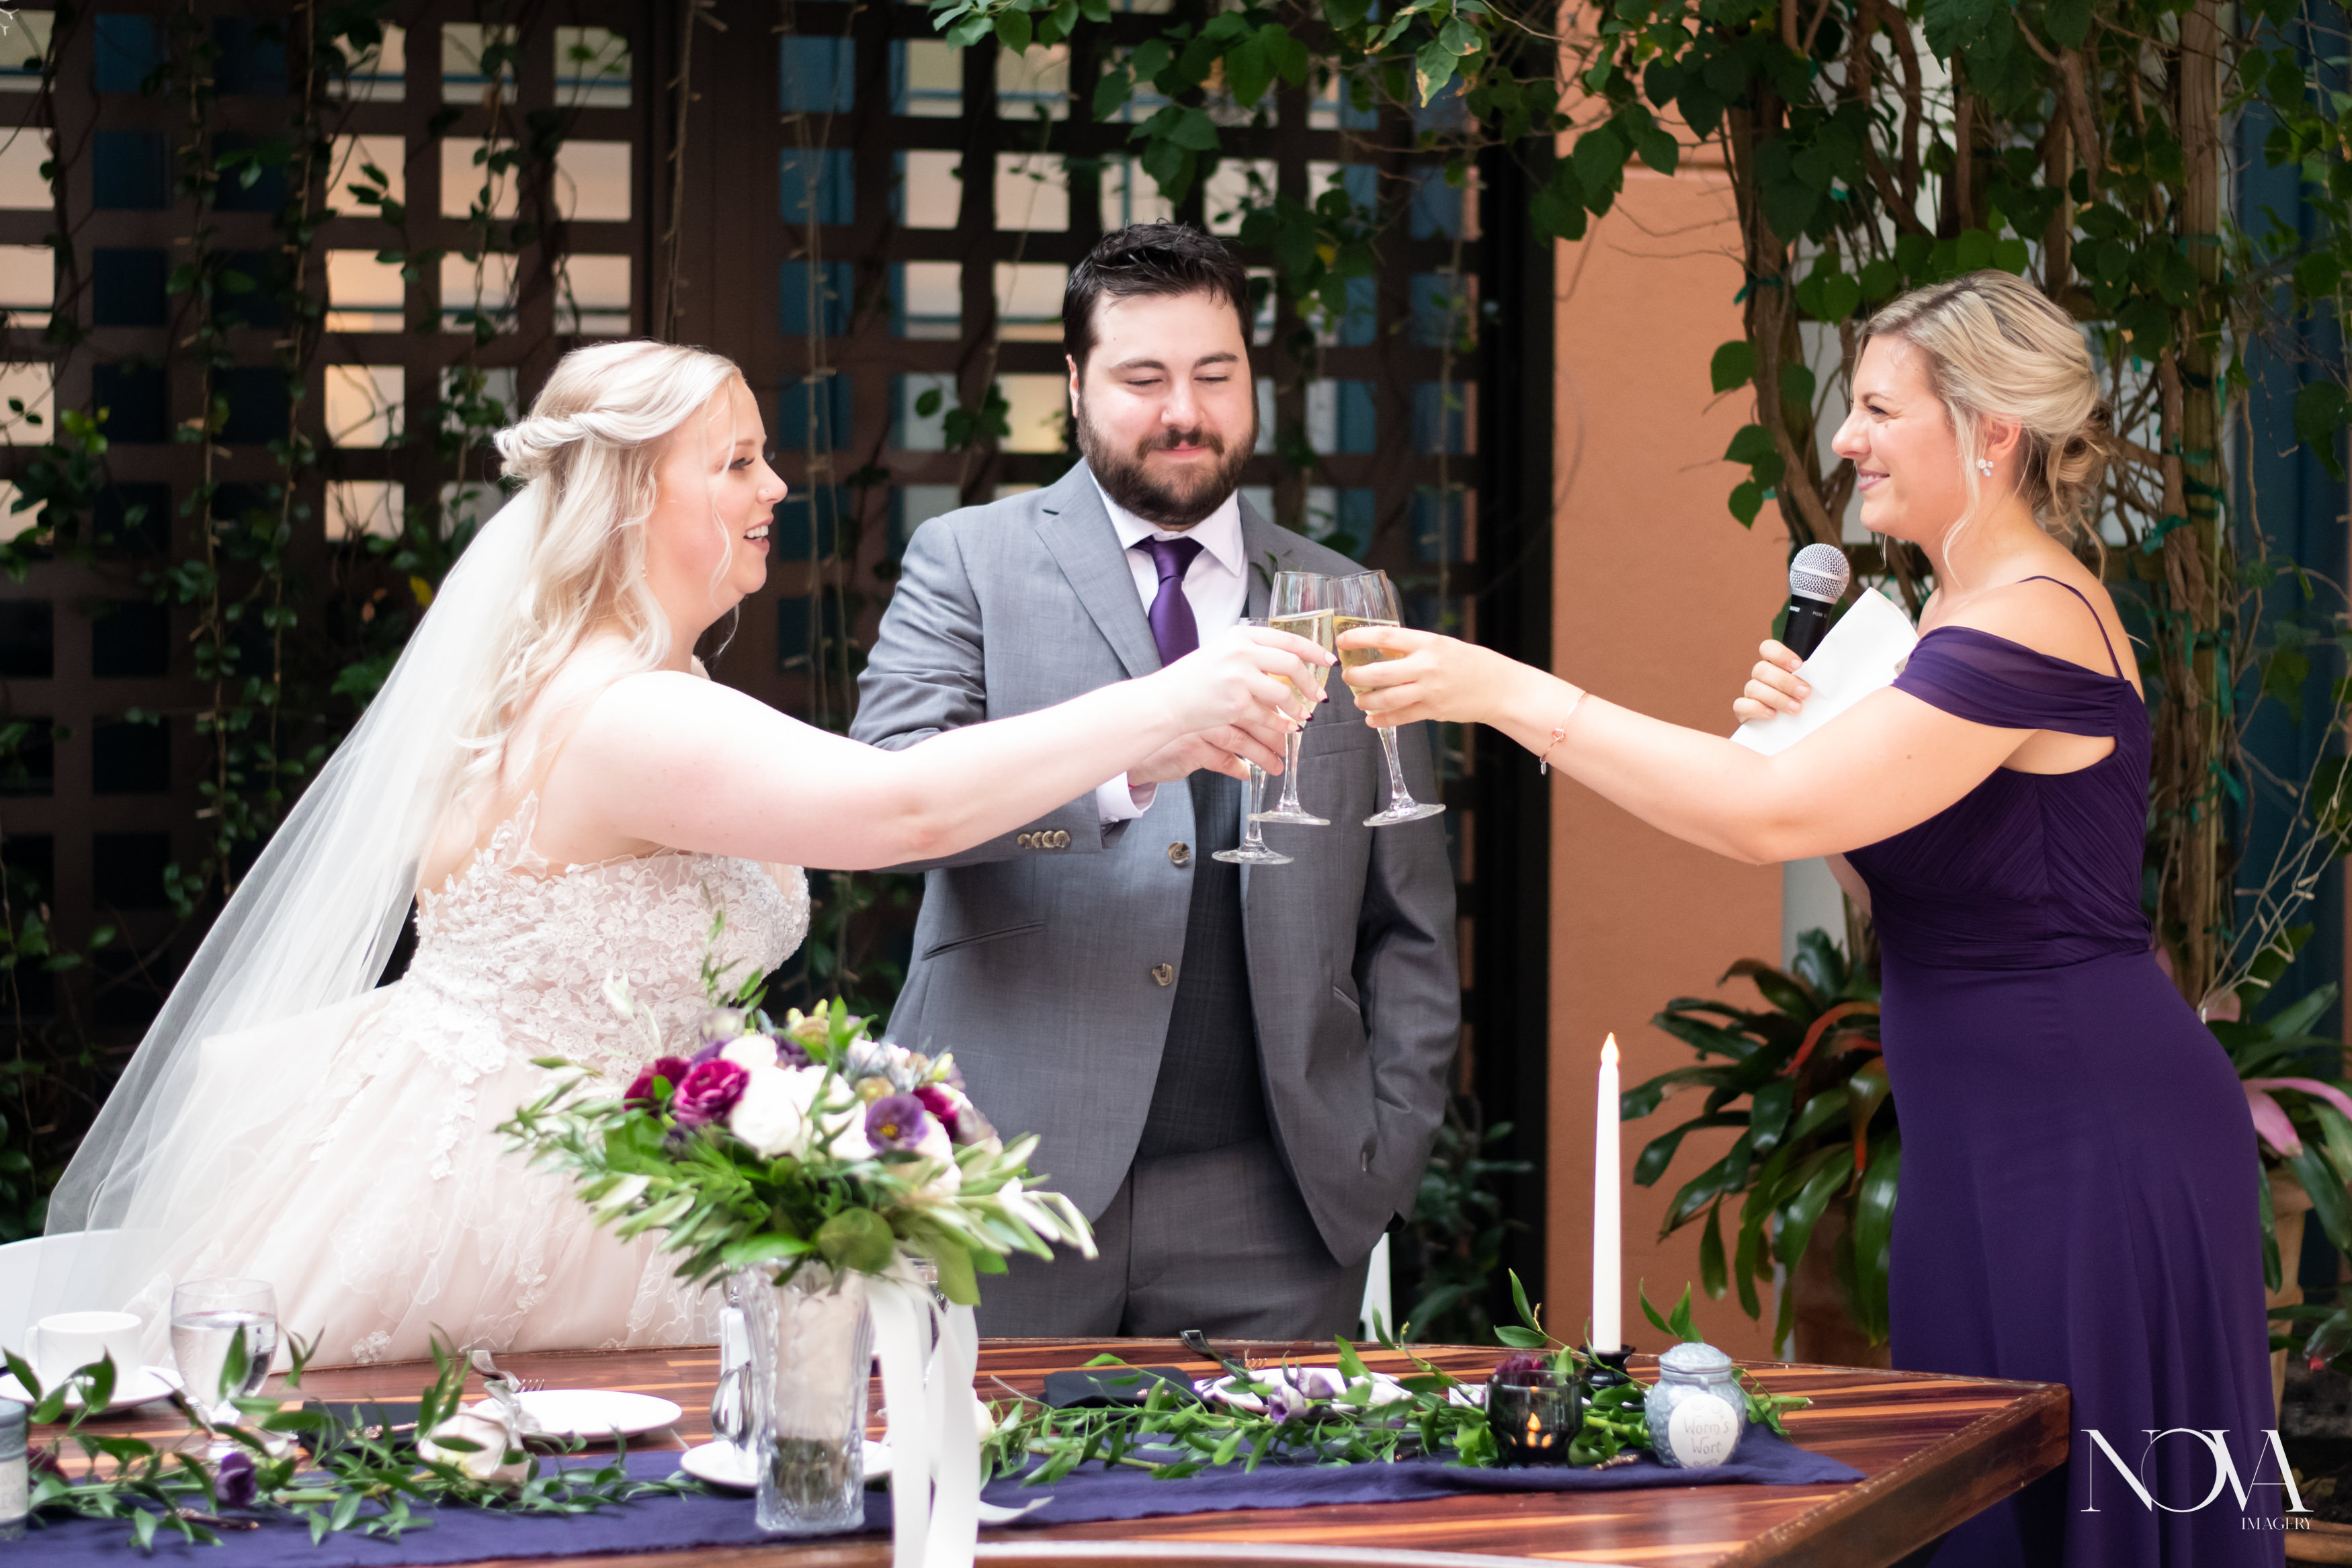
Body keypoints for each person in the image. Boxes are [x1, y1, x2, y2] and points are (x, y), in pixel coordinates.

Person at [38, 338, 1327, 1368]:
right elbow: (901, 812)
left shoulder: (574, 683)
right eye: (738, 461)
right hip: (525, 1199)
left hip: (562, 1153)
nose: (775, 488)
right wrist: (1165, 704)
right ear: (637, 490)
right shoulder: (629, 713)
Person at [1338, 271, 2281, 1565]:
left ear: (1990, 437)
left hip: (2090, 1141)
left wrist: (1502, 688)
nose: (1844, 438)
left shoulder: (2033, 622)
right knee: (1994, 1505)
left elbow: (1762, 818)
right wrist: (1802, 738)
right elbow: (1888, 868)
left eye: (1881, 408)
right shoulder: (1951, 614)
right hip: (1983, 1133)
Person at [851, 223, 1459, 1340]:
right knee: (996, 1509)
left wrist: (1383, 1147)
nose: (1185, 410)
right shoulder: (968, 563)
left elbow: (1409, 915)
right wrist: (1127, 766)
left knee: (1265, 1518)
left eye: (1215, 375)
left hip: (1279, 1211)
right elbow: (891, 805)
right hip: (1005, 1178)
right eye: (1144, 378)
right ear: (1076, 385)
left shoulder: (1346, 593)